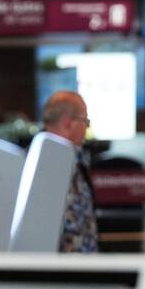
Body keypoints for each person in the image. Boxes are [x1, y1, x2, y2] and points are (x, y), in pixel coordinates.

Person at [42, 91, 98, 253]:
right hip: (59, 271)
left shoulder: (76, 160)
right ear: (68, 123)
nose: (87, 127)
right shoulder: (42, 167)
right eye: (85, 121)